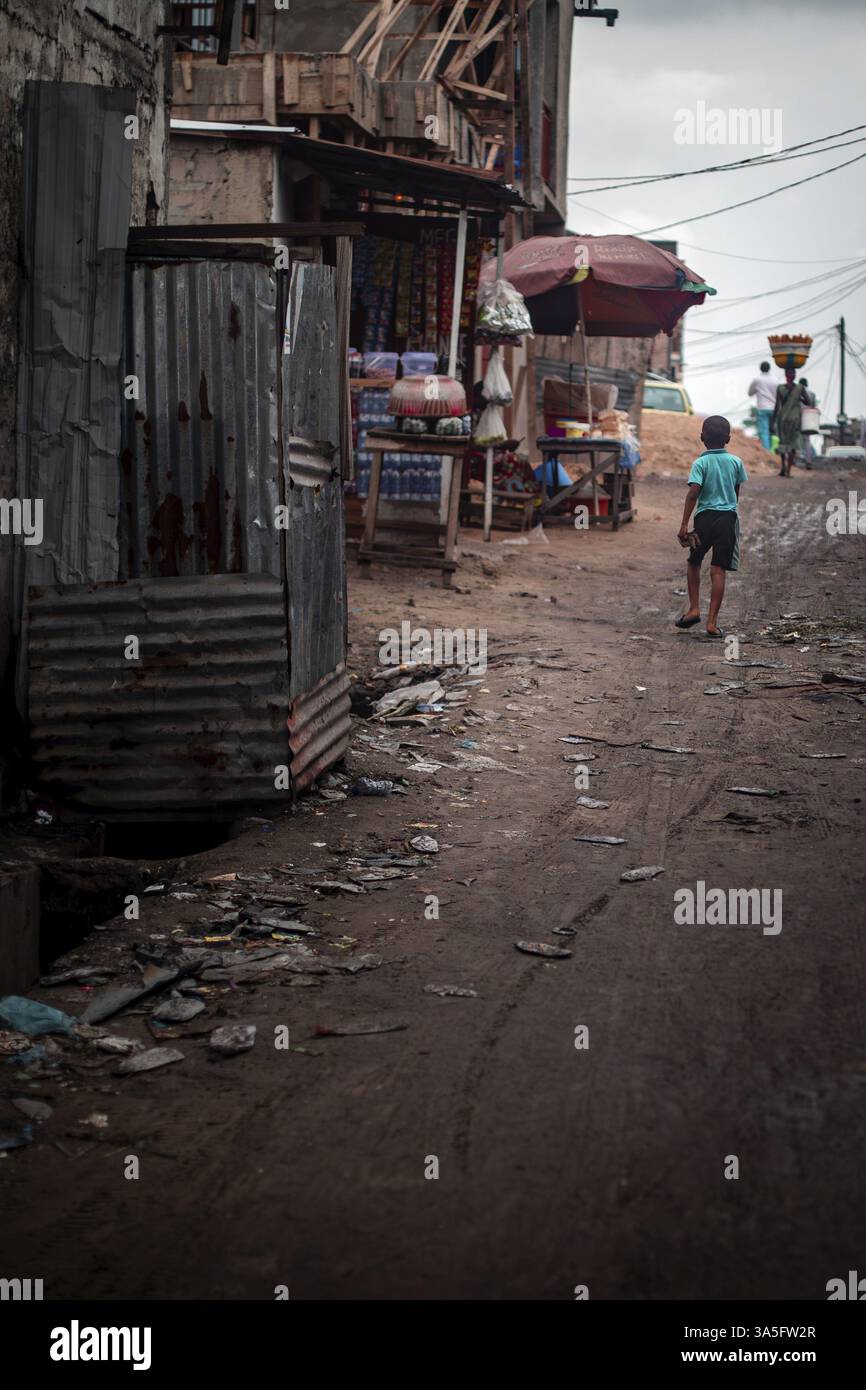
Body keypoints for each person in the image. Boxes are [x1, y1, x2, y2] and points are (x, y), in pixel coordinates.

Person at [675, 415, 747, 640]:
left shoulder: (700, 463)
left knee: (694, 562)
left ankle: (694, 608)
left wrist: (684, 524)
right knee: (718, 570)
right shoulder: (736, 462)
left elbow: (693, 493)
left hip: (704, 519)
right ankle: (712, 623)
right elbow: (735, 493)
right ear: (728, 438)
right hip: (727, 519)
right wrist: (729, 509)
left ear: (702, 437)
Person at [771, 367, 807, 477]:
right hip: (794, 419)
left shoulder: (780, 388)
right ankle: (788, 470)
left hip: (782, 419)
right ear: (795, 376)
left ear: (786, 375)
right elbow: (808, 401)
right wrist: (799, 399)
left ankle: (783, 468)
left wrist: (772, 422)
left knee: (783, 444)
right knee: (792, 444)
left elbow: (777, 406)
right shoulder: (800, 388)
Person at [748, 361, 777, 450]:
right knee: (773, 430)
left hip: (762, 407)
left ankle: (766, 451)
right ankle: (774, 450)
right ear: (769, 369)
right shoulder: (775, 379)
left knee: (764, 431)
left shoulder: (757, 379)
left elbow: (750, 393)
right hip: (774, 408)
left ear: (760, 368)